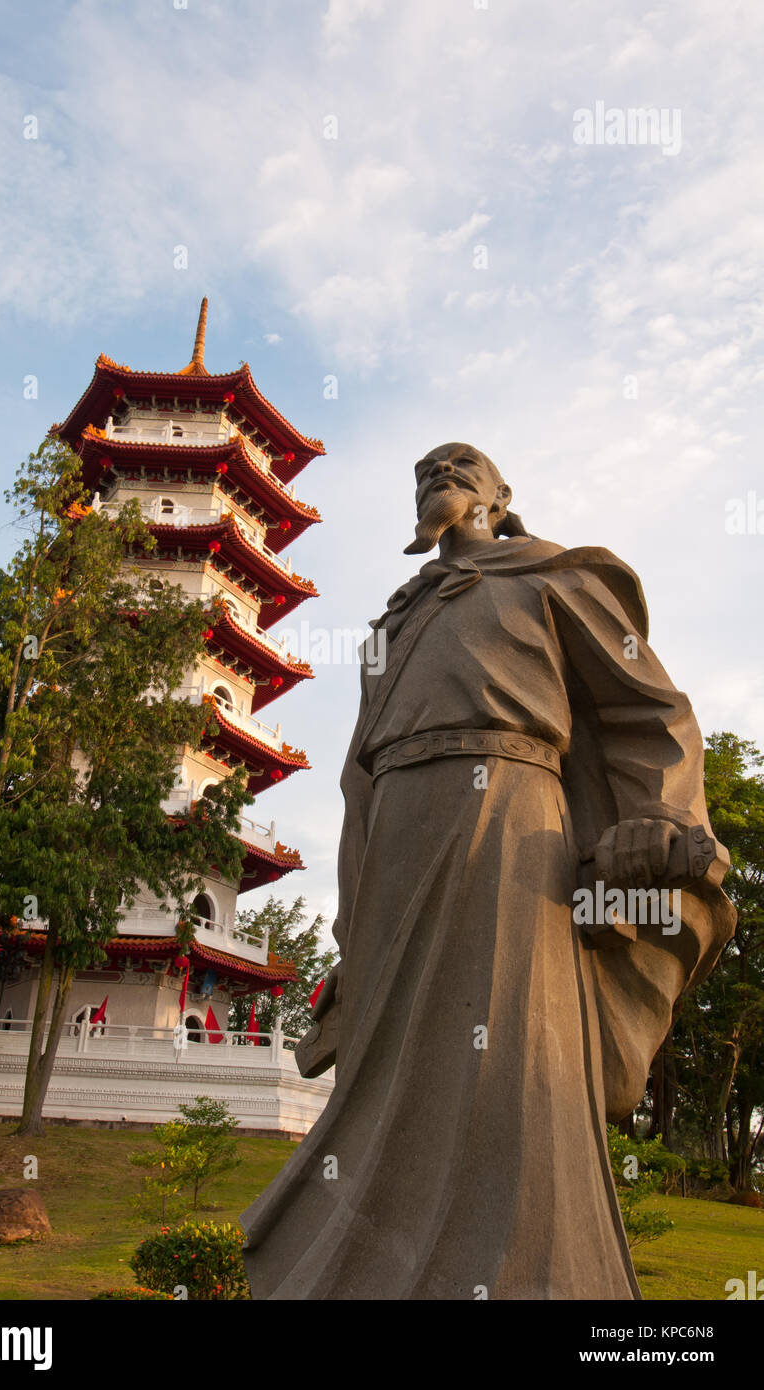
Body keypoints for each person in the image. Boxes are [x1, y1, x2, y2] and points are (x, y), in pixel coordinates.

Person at [240, 442, 735, 1301]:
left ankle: (530, 1270)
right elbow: (357, 787)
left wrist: (659, 816)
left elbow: (653, 712)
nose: (440, 474)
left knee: (510, 1042)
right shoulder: (387, 631)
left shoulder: (553, 580)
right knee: (384, 1061)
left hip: (509, 827)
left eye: (462, 468)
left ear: (502, 501)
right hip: (395, 831)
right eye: (426, 470)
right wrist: (350, 933)